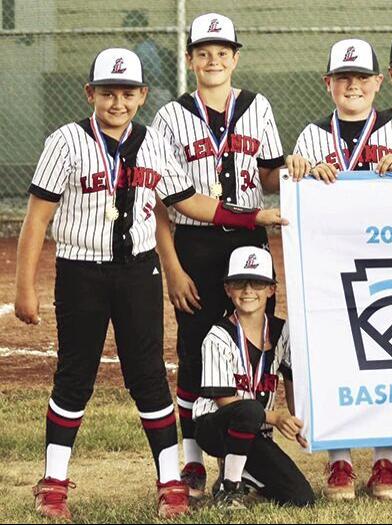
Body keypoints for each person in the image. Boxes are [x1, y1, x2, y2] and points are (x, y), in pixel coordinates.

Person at [15, 48, 284, 520]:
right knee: (74, 376)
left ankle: (170, 482)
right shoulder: (66, 141)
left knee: (148, 377)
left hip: (138, 272)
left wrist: (256, 215)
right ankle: (54, 482)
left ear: (142, 94)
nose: (117, 102)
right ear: (90, 93)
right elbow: (37, 219)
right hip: (81, 272)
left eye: (126, 93)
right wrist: (24, 288)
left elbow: (188, 201)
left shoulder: (153, 143)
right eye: (107, 92)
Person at [149, 13, 309, 498]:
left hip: (248, 248)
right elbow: (164, 201)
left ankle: (246, 443)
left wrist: (296, 167)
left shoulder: (257, 107)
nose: (213, 60)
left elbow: (268, 178)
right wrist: (172, 267)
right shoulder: (170, 117)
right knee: (196, 349)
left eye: (223, 52)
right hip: (196, 244)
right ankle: (194, 461)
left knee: (252, 339)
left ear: (235, 58)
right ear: (190, 59)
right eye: (204, 53)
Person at [292, 37, 392, 502]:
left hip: (386, 263)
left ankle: (385, 461)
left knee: (384, 357)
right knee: (337, 358)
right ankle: (340, 463)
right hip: (331, 267)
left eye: (361, 79)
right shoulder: (312, 134)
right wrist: (302, 170)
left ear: (377, 83)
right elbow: (295, 185)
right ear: (329, 84)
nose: (352, 86)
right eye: (343, 78)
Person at [193, 247, 314, 508]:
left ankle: (244, 474)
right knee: (248, 408)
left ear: (270, 289)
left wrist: (297, 421)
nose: (248, 290)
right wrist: (275, 417)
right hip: (214, 428)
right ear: (228, 289)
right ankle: (230, 487)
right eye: (239, 282)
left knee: (301, 497)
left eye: (257, 282)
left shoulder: (282, 331)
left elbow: (293, 378)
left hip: (256, 433)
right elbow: (226, 401)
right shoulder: (218, 336)